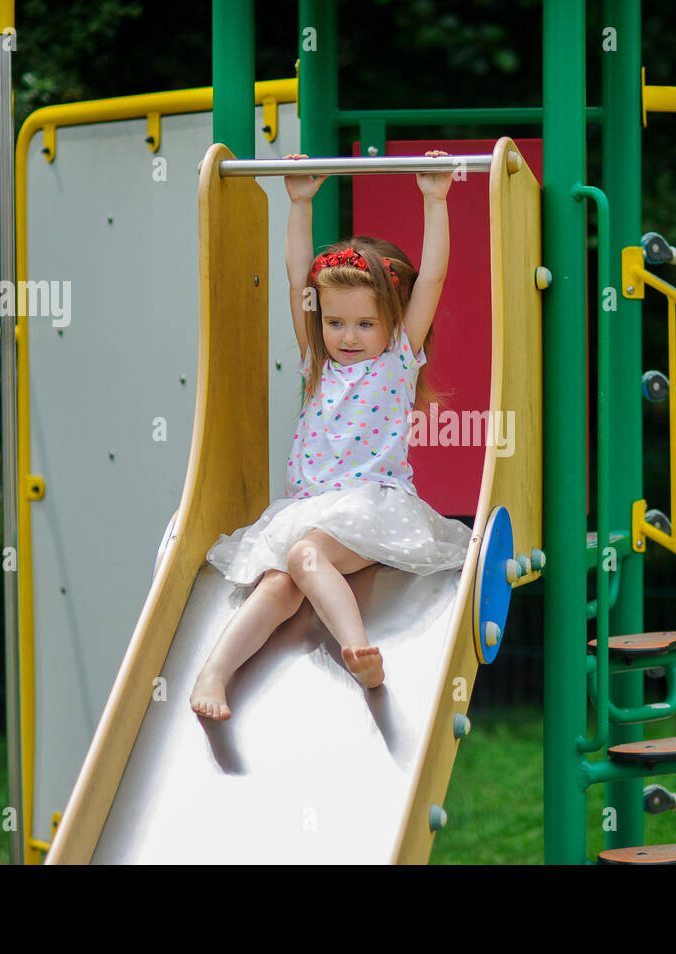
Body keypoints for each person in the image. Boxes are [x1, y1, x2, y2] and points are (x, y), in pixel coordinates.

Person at [189, 150, 473, 720]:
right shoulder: (318, 363)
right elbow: (299, 276)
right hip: (313, 508)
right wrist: (299, 203)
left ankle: (354, 648)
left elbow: (434, 276)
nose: (348, 335)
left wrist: (435, 200)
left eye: (365, 323)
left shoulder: (396, 358)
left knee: (304, 554)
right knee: (279, 584)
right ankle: (214, 672)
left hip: (373, 508)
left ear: (391, 323)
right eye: (336, 322)